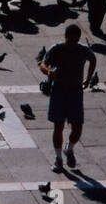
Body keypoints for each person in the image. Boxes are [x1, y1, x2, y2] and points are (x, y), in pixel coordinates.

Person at [39, 24, 97, 172]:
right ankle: (58, 159)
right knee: (58, 126)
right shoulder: (56, 49)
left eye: (75, 40)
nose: (72, 43)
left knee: (78, 126)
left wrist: (88, 78)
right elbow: (43, 64)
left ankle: (69, 149)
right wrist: (48, 71)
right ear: (65, 37)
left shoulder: (83, 50)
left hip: (75, 91)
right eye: (70, 40)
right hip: (59, 91)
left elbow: (93, 59)